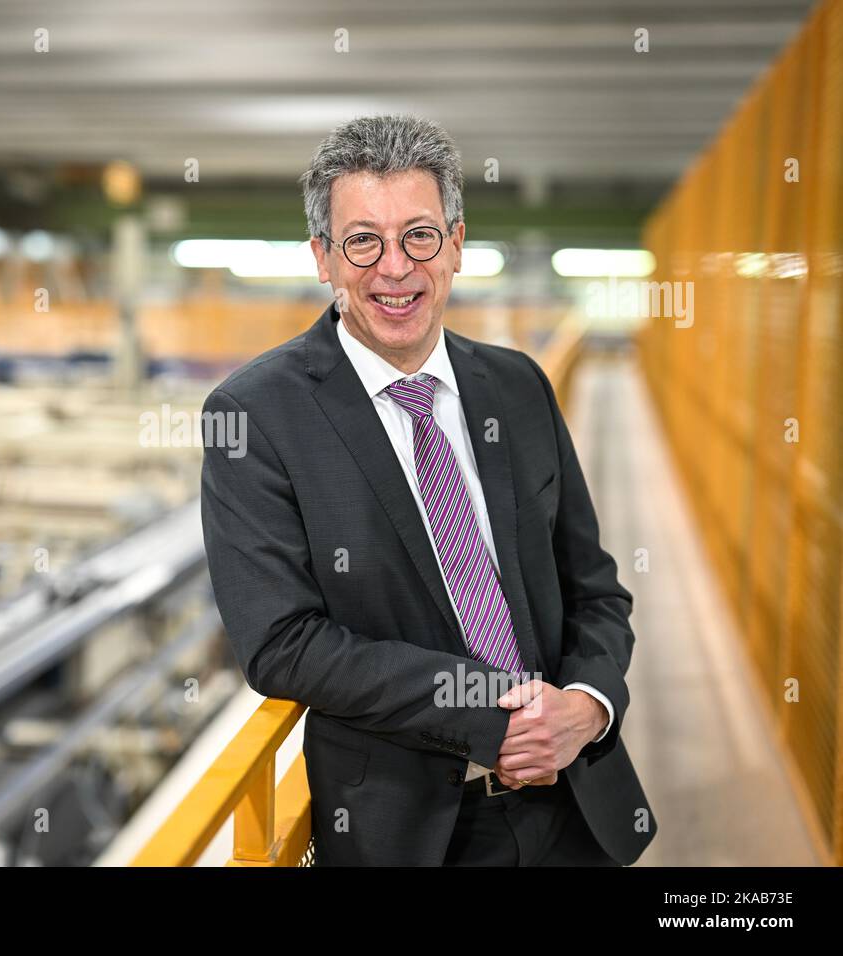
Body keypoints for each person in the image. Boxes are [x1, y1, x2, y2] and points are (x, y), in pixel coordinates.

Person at [198, 114, 656, 866]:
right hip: (408, 831)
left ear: (456, 244)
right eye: (362, 241)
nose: (395, 268)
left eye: (418, 235)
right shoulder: (254, 416)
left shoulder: (518, 386)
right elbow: (282, 645)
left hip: (575, 804)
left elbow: (596, 590)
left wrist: (587, 707)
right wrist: (487, 714)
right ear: (323, 257)